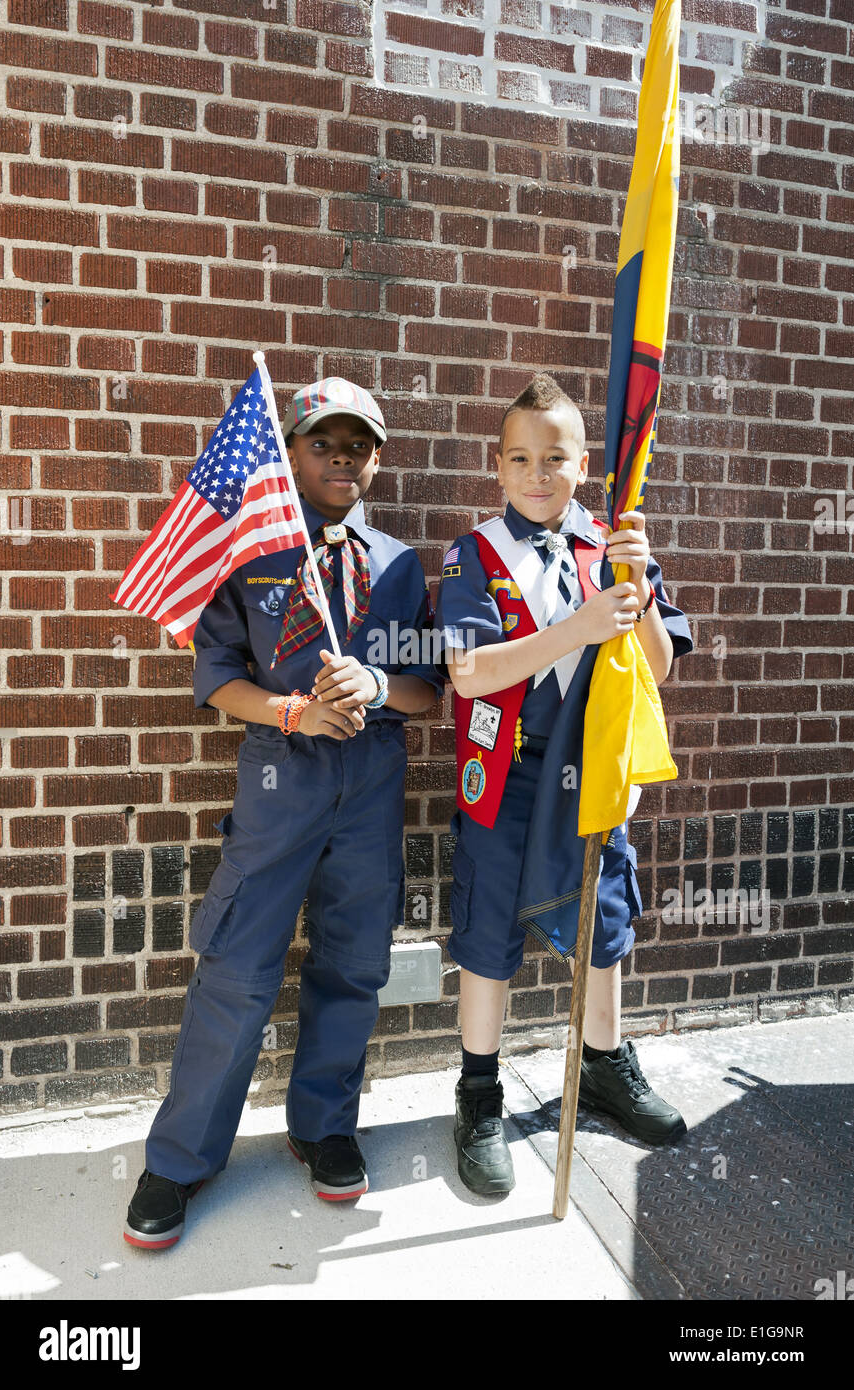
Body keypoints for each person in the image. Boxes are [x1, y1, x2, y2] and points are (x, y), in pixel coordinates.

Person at [124, 377, 442, 1247]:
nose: (342, 457)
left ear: (377, 459)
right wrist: (291, 710)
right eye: (322, 442)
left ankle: (323, 1125)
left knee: (353, 961)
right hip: (282, 781)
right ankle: (181, 1157)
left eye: (359, 445)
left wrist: (377, 684)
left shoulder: (398, 565)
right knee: (238, 967)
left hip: (370, 785)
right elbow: (218, 678)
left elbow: (426, 693)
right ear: (291, 451)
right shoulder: (253, 557)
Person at [435, 373, 694, 1195]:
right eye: (520, 458)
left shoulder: (611, 545)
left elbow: (655, 666)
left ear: (584, 464)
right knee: (487, 933)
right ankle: (479, 1095)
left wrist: (640, 585)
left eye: (555, 458)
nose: (537, 474)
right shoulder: (474, 553)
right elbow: (471, 674)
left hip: (591, 772)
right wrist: (574, 628)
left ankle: (605, 1065)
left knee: (602, 919)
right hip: (507, 774)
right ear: (498, 467)